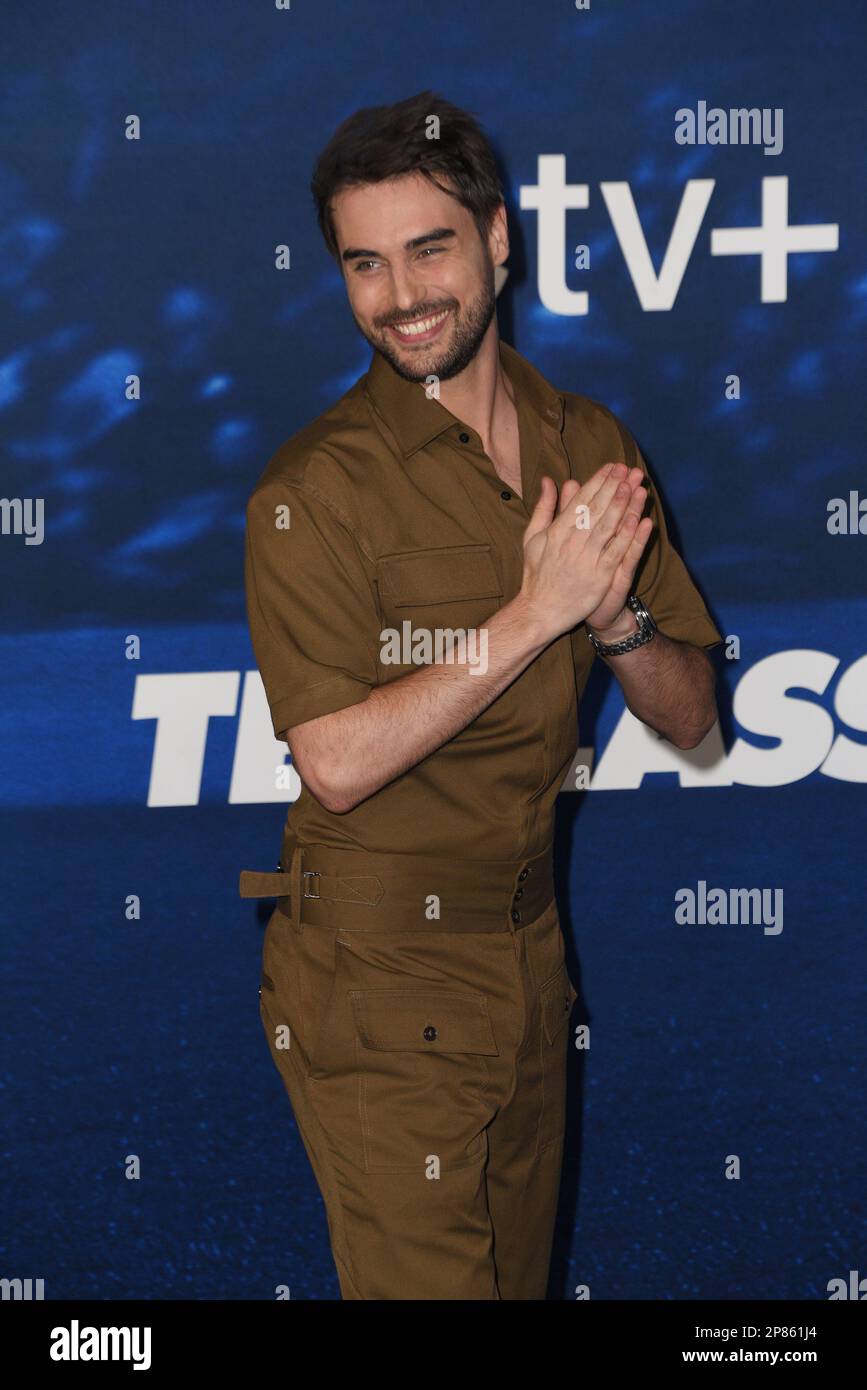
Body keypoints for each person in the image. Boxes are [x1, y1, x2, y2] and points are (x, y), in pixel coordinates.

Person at [241, 90, 722, 1300]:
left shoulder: (588, 440)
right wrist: (532, 614)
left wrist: (614, 615)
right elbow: (337, 763)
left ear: (499, 239)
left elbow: (695, 719)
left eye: (430, 247)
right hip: (374, 970)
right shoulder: (311, 491)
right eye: (364, 262)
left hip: (527, 957)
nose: (400, 294)